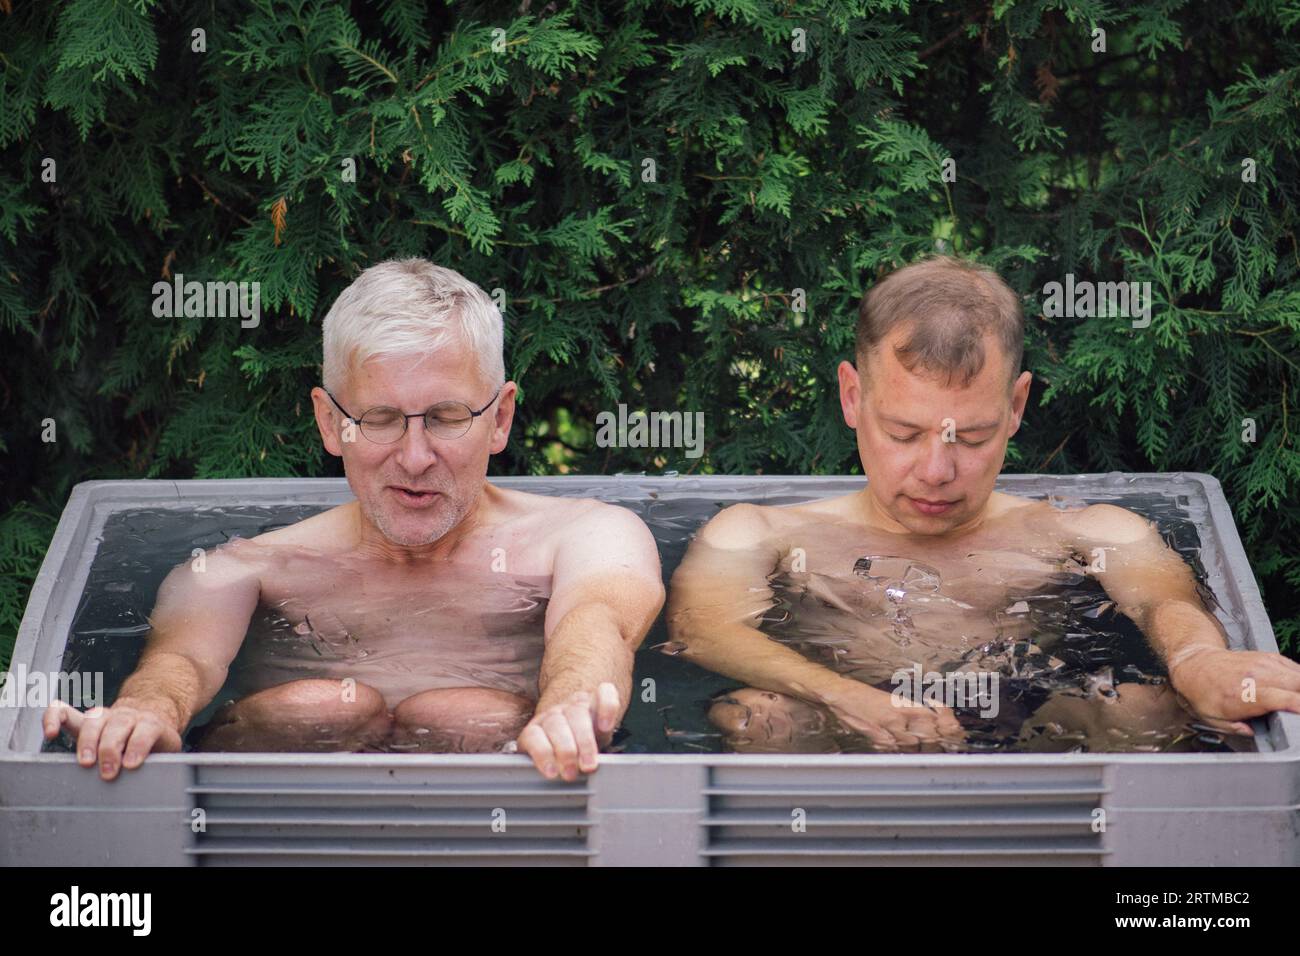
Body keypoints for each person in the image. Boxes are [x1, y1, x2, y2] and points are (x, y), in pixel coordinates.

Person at [44, 259, 665, 782]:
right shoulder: (248, 568)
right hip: (281, 830)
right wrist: (145, 713)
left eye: (447, 417)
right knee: (319, 708)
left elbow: (596, 624)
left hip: (509, 823)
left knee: (470, 713)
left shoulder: (587, 535)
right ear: (328, 423)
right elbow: (182, 661)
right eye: (379, 419)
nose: (416, 458)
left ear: (500, 419)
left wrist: (569, 708)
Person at [667, 255, 1300, 754]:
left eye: (969, 437)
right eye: (903, 434)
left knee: (1145, 707)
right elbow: (705, 630)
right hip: (842, 730)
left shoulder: (1083, 532)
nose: (937, 472)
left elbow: (1166, 602)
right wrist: (844, 698)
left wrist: (1198, 661)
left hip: (1033, 729)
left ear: (1017, 406)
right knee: (759, 716)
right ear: (852, 396)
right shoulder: (759, 533)